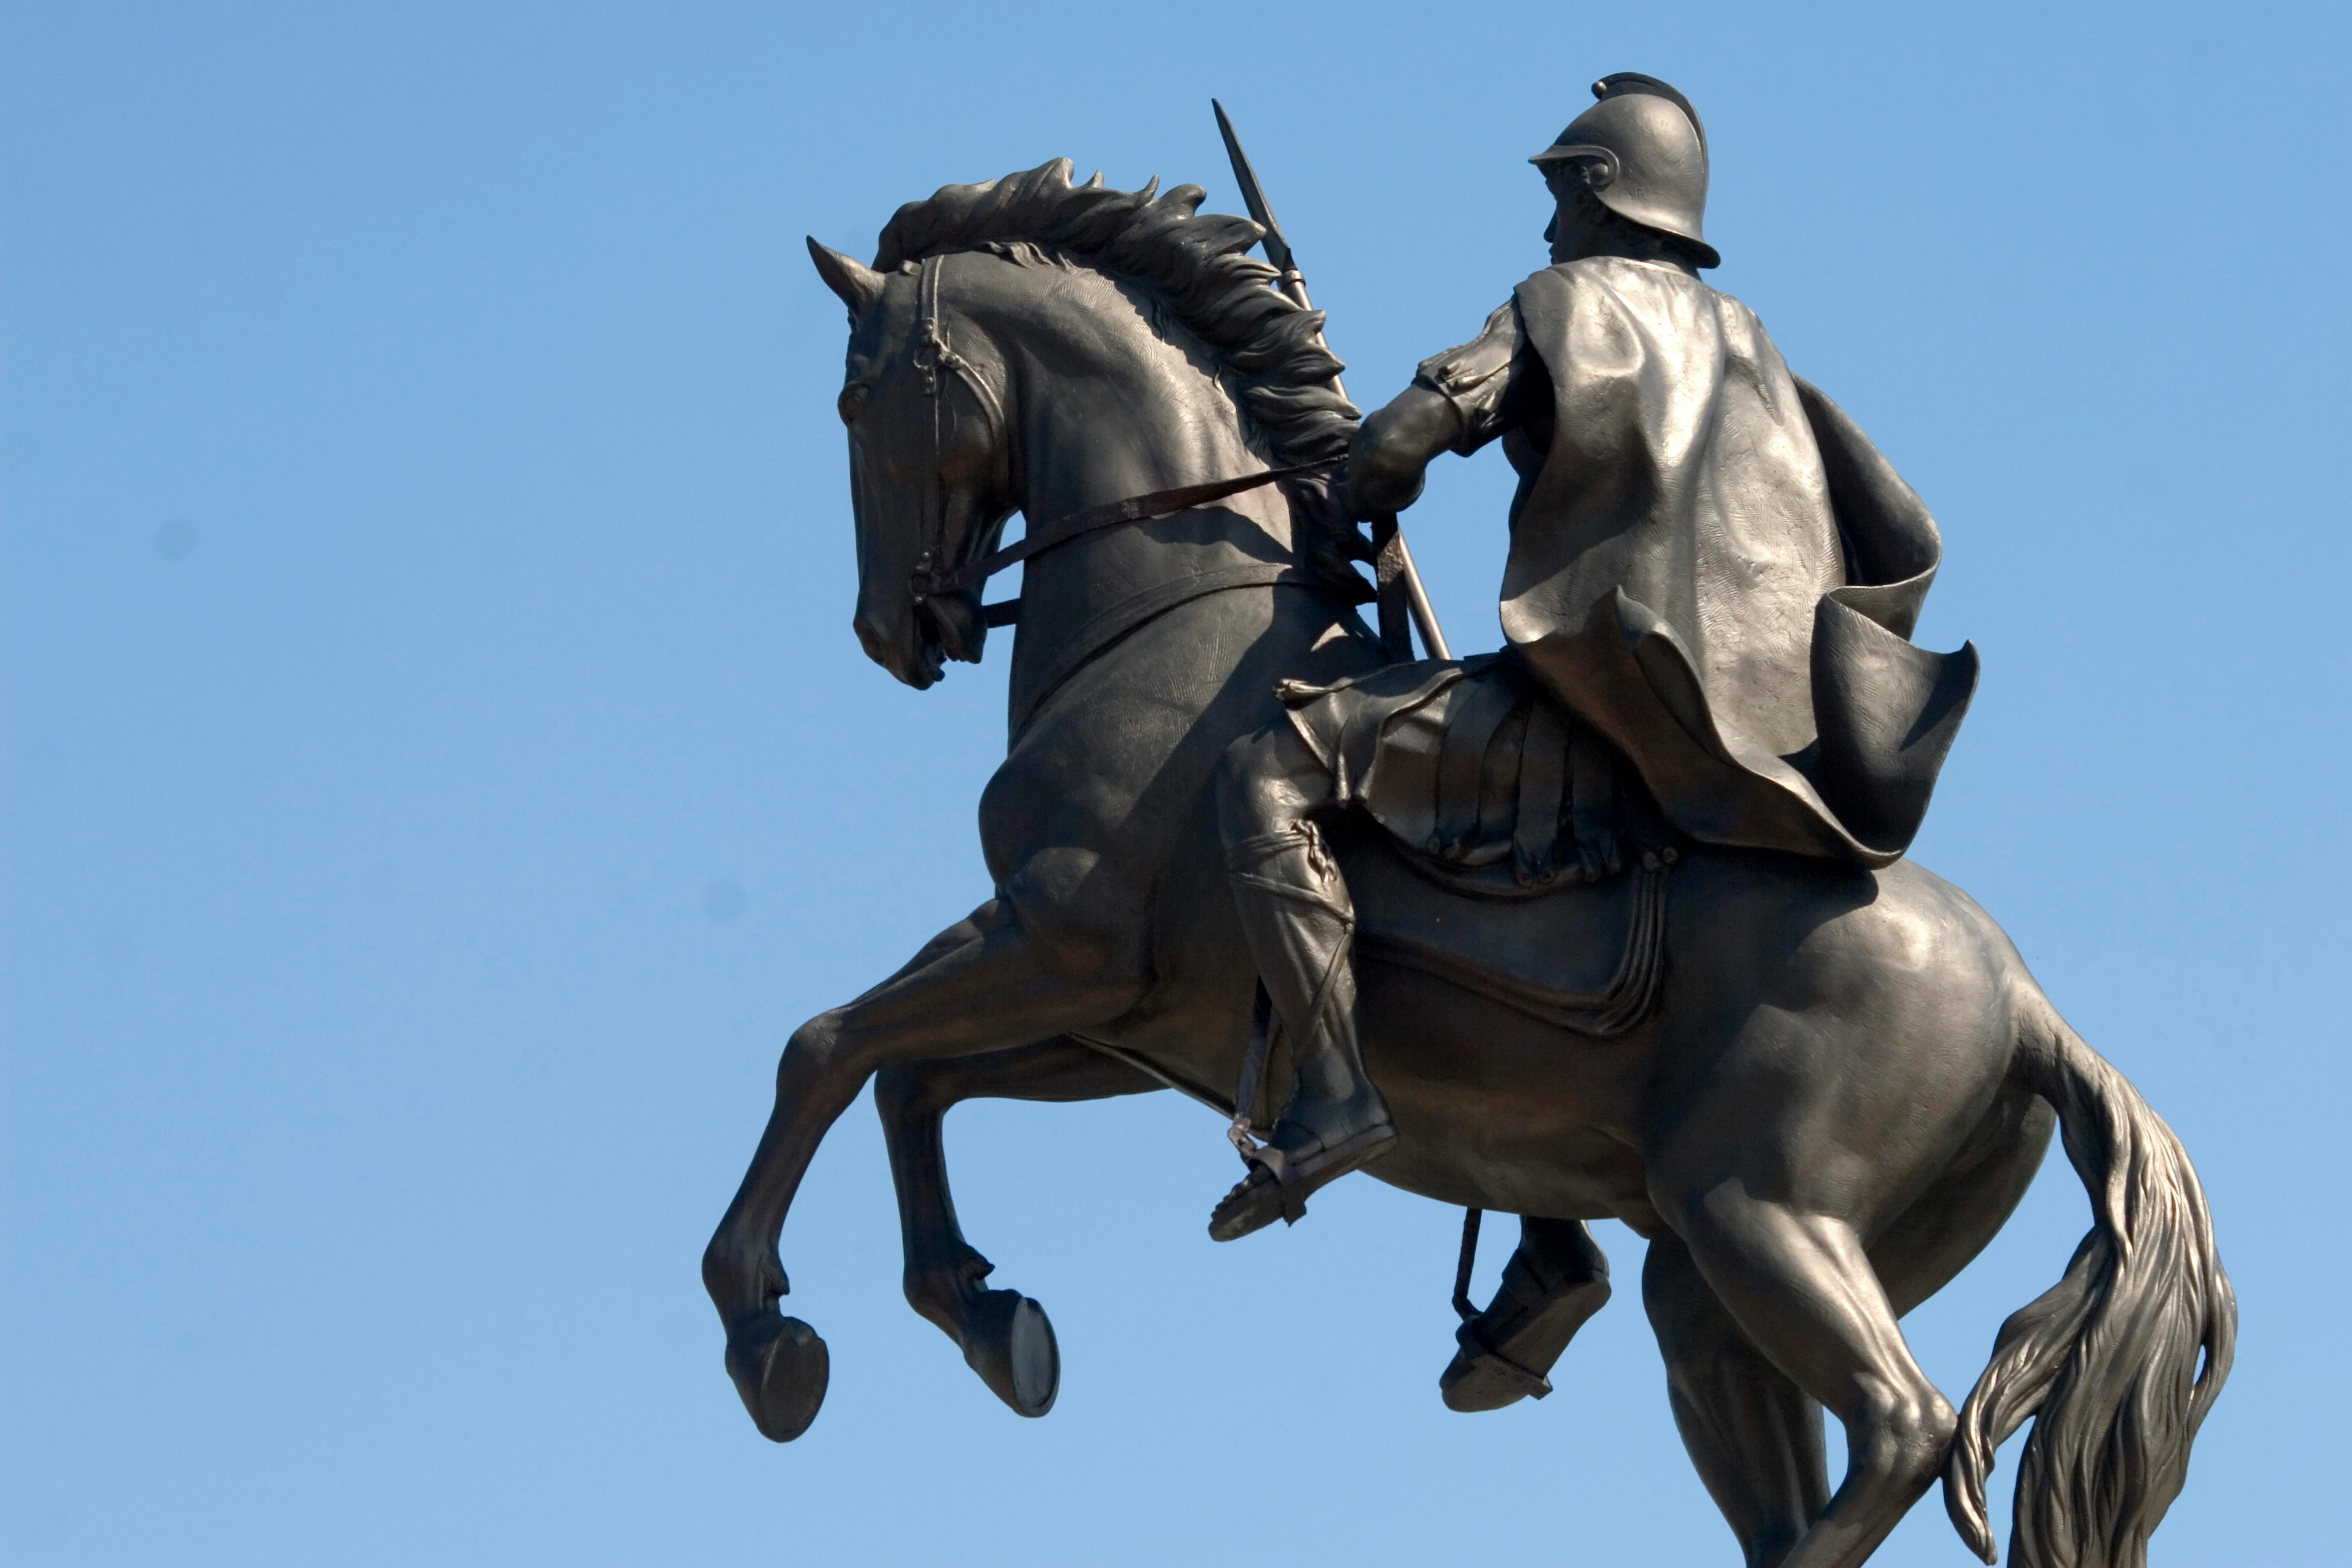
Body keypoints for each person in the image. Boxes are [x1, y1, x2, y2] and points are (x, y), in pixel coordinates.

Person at [1208, 72, 1977, 1244]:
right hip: (1756, 739)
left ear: (1600, 191)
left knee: (1267, 774)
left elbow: (1408, 439)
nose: (1547, 224)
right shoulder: (1751, 343)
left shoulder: (1564, 300)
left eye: (1559, 195)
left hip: (1597, 704)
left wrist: (1356, 476)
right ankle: (1546, 1247)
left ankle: (1335, 1091)